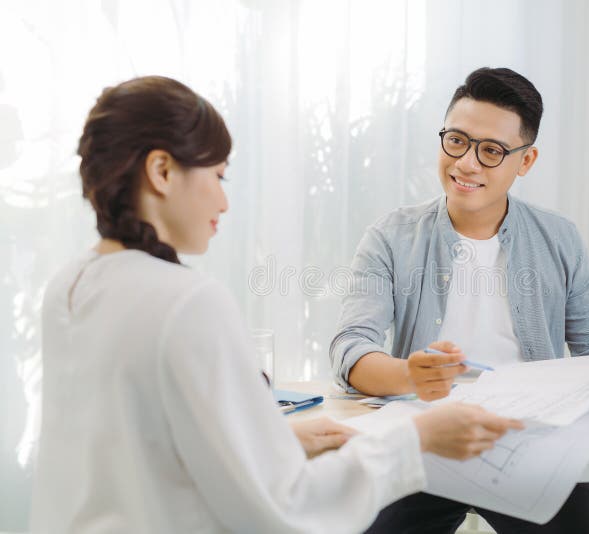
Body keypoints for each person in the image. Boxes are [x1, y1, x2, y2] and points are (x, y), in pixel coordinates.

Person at [30, 76, 524, 534]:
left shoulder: (67, 288)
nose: (223, 203)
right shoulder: (188, 304)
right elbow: (289, 508)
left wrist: (275, 443)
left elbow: (141, 454)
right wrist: (417, 438)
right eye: (218, 176)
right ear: (161, 171)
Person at [330, 67, 589, 533]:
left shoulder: (559, 238)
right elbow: (351, 348)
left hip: (532, 441)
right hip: (427, 438)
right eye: (456, 140)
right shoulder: (391, 237)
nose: (466, 163)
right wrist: (410, 375)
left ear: (526, 160)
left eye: (491, 150)